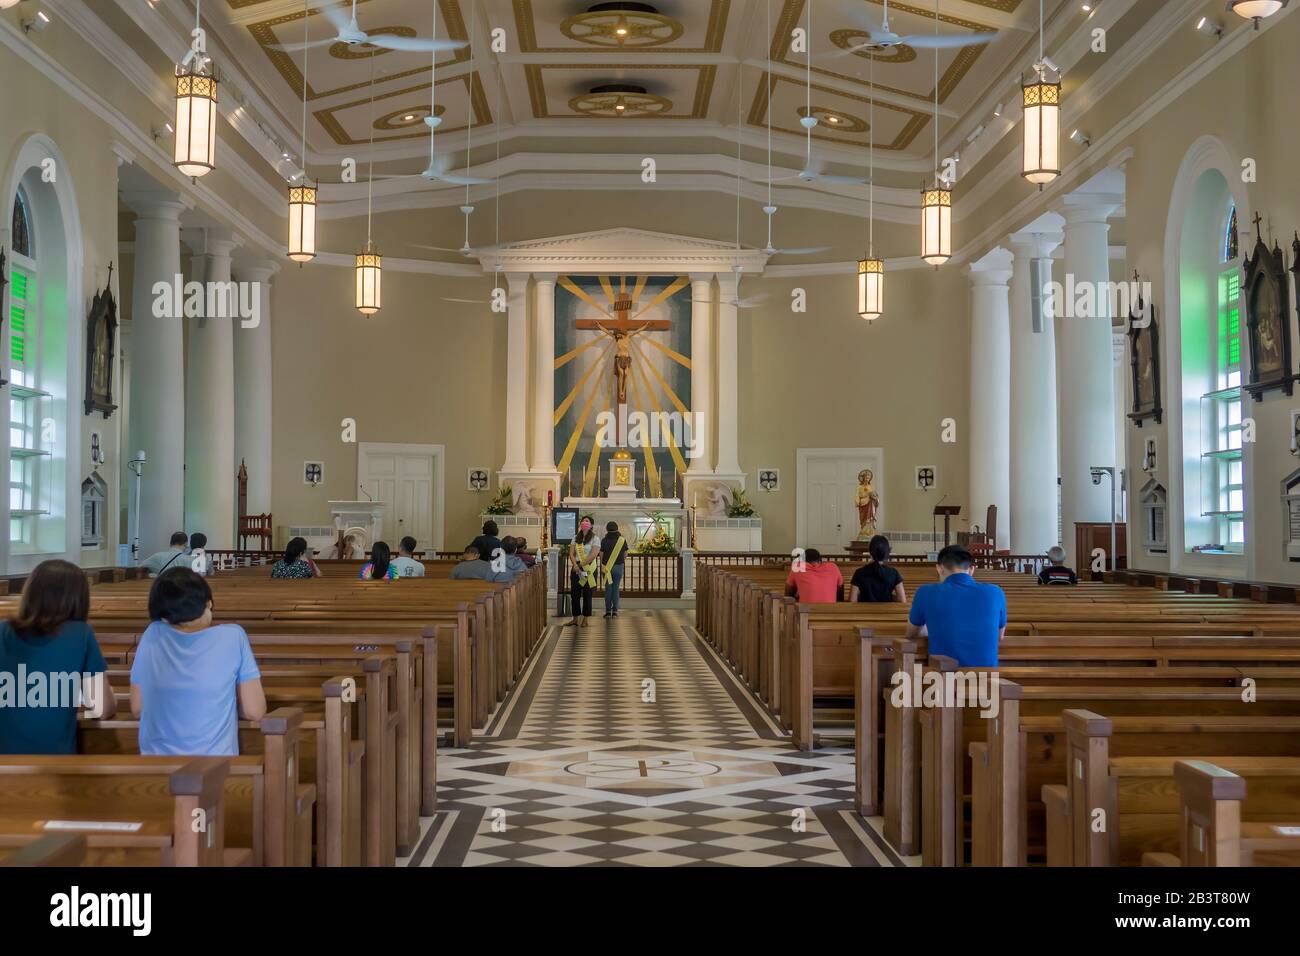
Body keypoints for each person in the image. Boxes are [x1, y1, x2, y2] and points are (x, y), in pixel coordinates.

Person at [130, 568, 266, 756]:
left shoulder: (152, 635)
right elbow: (254, 711)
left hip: (156, 773)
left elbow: (137, 708)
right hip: (215, 770)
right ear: (207, 603)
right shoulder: (232, 636)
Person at [0, 560, 115, 754]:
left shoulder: (2, 630)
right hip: (54, 766)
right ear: (78, 598)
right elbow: (100, 708)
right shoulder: (80, 634)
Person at [905, 545, 1007, 667]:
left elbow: (911, 633)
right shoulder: (996, 592)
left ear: (939, 568)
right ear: (971, 569)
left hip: (944, 678)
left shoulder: (925, 592)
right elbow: (999, 635)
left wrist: (933, 628)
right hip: (988, 680)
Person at [850, 535, 906, 603]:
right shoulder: (894, 573)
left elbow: (852, 600)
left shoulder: (859, 573)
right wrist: (890, 597)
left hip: (865, 612)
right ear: (887, 552)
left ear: (870, 552)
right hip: (887, 612)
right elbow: (902, 600)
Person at [567, 517, 599, 627]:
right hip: (576, 569)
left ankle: (585, 619)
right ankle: (575, 618)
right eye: (583, 521)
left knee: (587, 594)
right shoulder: (575, 537)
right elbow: (571, 553)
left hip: (589, 568)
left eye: (587, 521)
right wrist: (575, 565)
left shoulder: (595, 538)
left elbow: (594, 554)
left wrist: (580, 565)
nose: (584, 523)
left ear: (591, 525)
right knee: (574, 594)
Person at [600, 521, 627, 618]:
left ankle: (607, 611)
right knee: (616, 589)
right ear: (617, 528)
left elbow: (601, 554)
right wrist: (620, 561)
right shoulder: (622, 540)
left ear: (607, 529)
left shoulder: (604, 540)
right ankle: (615, 611)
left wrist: (603, 564)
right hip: (618, 567)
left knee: (608, 589)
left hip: (607, 567)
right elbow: (625, 554)